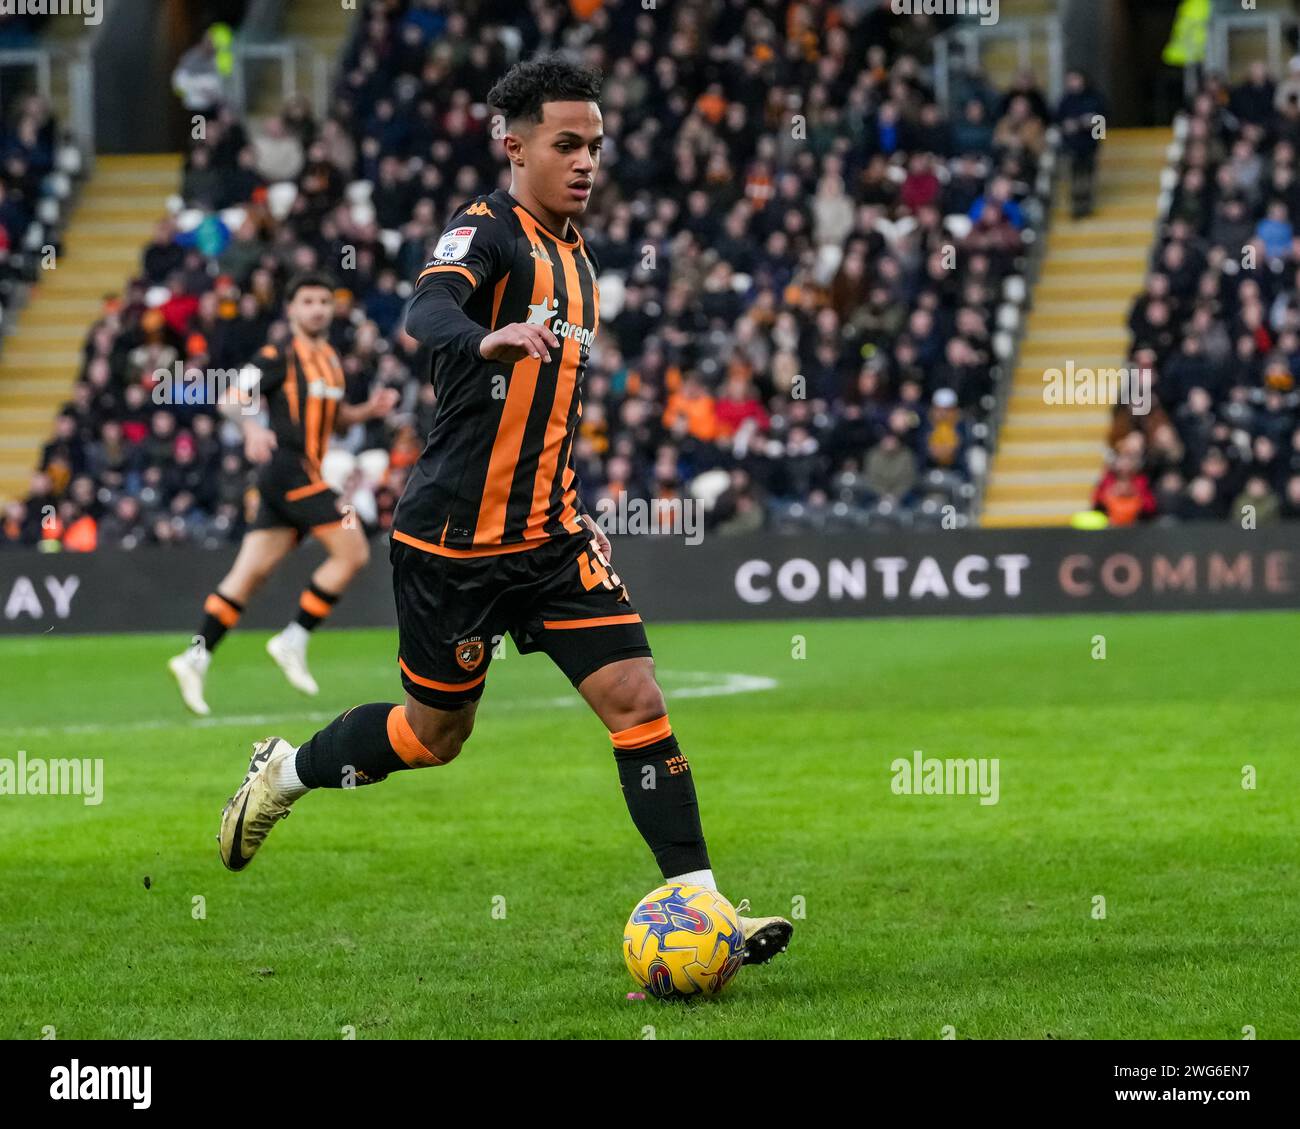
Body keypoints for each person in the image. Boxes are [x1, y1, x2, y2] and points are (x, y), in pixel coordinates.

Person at [214, 58, 793, 968]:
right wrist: (482, 333)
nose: (586, 162)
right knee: (432, 735)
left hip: (553, 539)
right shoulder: (487, 230)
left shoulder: (584, 262)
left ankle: (702, 903)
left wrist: (578, 503)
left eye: (596, 146)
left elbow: (548, 412)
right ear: (514, 147)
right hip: (453, 543)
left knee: (638, 701)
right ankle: (284, 772)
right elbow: (424, 307)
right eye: (567, 145)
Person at [167, 274, 397, 715]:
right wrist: (251, 427)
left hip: (295, 477)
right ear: (291, 310)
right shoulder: (277, 354)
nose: (317, 309)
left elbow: (335, 420)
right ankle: (294, 638)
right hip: (288, 470)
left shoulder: (331, 359)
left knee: (248, 576)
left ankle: (194, 656)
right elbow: (231, 398)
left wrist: (367, 411)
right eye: (308, 301)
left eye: (324, 301)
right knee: (353, 551)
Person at [1056, 70, 1107, 220]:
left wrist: (1093, 132)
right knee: (1074, 177)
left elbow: (1101, 123)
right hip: (1071, 145)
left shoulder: (1095, 99)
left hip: (1089, 144)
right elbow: (1059, 122)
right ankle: (1076, 206)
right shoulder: (1066, 101)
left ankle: (1087, 205)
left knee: (1088, 177)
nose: (1073, 83)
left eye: (1075, 80)